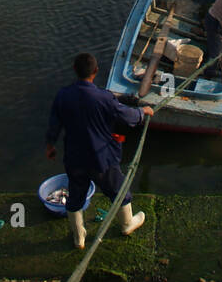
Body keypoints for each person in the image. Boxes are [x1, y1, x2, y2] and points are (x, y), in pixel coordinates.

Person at [45, 52, 152, 250]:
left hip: (75, 158)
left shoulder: (63, 96)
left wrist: (51, 145)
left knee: (76, 195)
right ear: (95, 72)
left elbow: (54, 123)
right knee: (118, 190)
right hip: (101, 157)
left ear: (75, 71)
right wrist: (142, 112)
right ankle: (127, 224)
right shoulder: (103, 97)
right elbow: (126, 116)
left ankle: (79, 238)